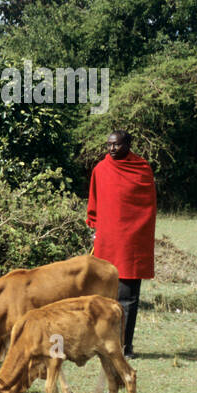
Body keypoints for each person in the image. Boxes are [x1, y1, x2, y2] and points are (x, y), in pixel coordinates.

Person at [87, 130, 156, 357]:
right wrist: (95, 228)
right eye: (109, 145)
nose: (112, 149)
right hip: (107, 241)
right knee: (106, 296)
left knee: (128, 297)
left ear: (128, 144)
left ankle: (125, 347)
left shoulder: (142, 169)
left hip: (131, 243)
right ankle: (103, 344)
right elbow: (94, 202)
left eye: (116, 145)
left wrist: (137, 233)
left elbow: (147, 208)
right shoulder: (101, 169)